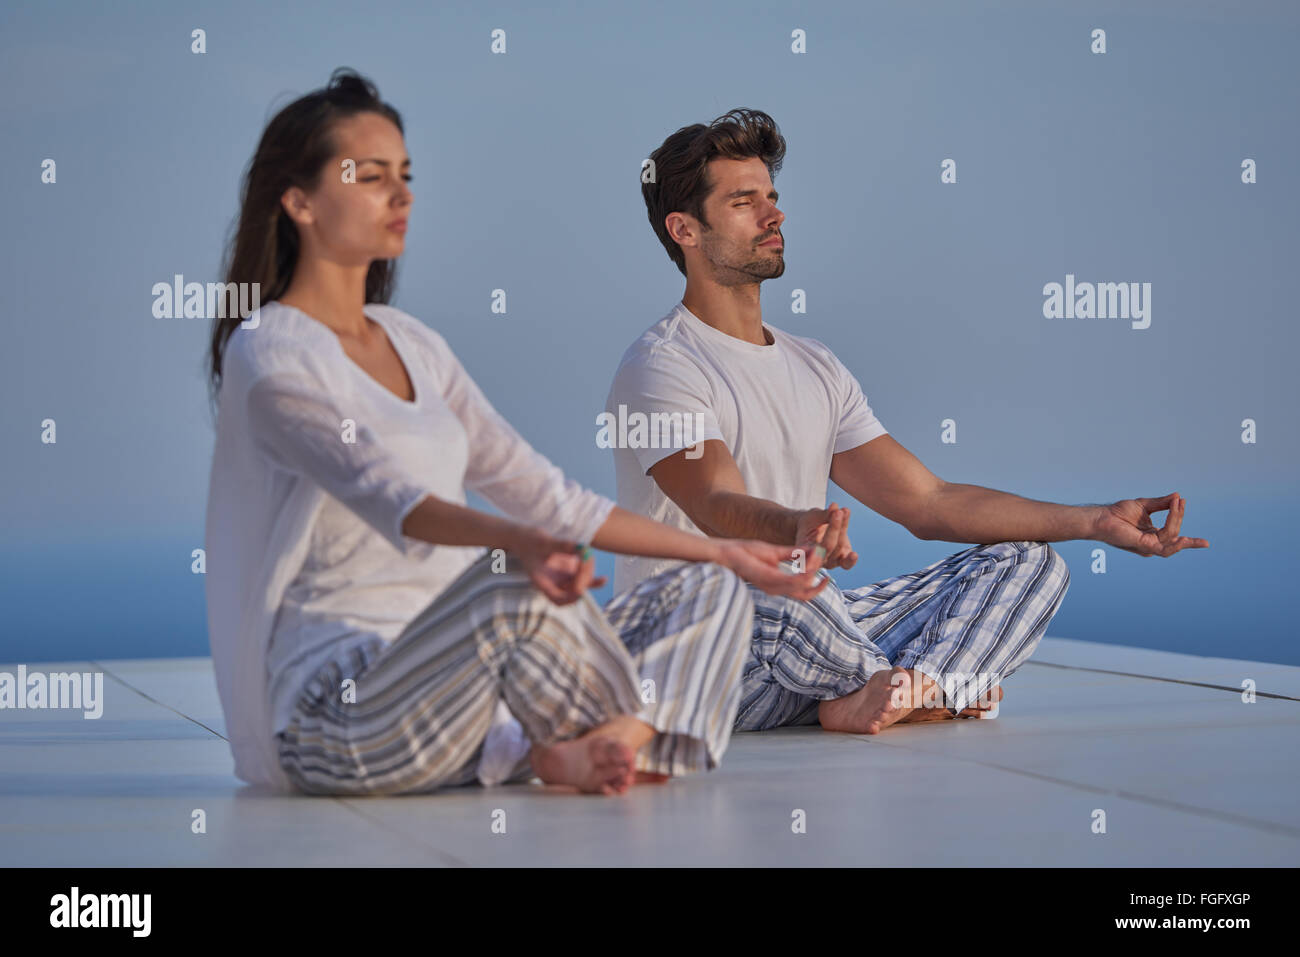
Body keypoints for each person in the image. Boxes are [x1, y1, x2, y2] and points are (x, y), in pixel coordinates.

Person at [202, 71, 830, 798]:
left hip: (463, 695)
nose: (401, 195)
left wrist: (728, 551)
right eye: (370, 177)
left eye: (405, 175)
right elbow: (389, 496)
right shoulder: (269, 351)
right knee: (511, 582)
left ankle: (571, 746)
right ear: (299, 201)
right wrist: (522, 547)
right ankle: (586, 740)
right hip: (335, 720)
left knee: (714, 586)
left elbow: (545, 493)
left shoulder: (413, 342)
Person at [603, 107, 1208, 735]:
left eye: (773, 197)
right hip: (696, 662)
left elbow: (929, 501)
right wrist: (798, 526)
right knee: (768, 576)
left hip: (808, 644)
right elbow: (713, 502)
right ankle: (900, 689)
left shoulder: (816, 366)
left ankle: (897, 693)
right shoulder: (663, 365)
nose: (773, 214)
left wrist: (1094, 520)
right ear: (685, 230)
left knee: (1029, 562)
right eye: (743, 202)